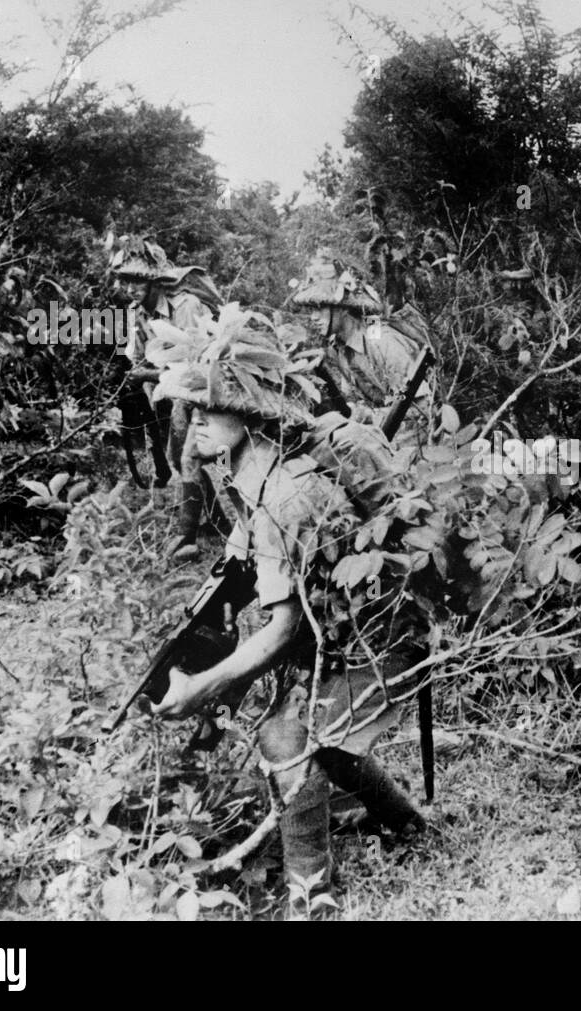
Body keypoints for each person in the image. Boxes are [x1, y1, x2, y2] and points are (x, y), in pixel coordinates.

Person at [149, 313, 426, 915]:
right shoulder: (253, 467)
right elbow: (251, 560)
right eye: (189, 411)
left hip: (382, 639)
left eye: (206, 410)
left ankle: (310, 889)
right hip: (344, 630)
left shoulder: (285, 492)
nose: (192, 423)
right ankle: (404, 823)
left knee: (288, 737)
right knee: (315, 736)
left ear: (246, 411)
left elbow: (282, 631)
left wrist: (203, 686)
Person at [110, 238, 224, 557]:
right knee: (180, 459)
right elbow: (140, 357)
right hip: (175, 389)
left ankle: (187, 536)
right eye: (126, 281)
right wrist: (138, 378)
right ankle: (217, 522)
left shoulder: (186, 306)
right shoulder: (139, 314)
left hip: (208, 385)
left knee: (189, 457)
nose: (131, 288)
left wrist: (148, 376)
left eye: (137, 280)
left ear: (153, 280)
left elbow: (197, 364)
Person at [291, 253, 431, 432]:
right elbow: (354, 399)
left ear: (342, 308)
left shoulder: (381, 340)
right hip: (383, 430)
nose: (313, 317)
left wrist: (372, 417)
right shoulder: (338, 347)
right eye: (311, 310)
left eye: (320, 308)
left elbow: (425, 407)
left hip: (418, 432)